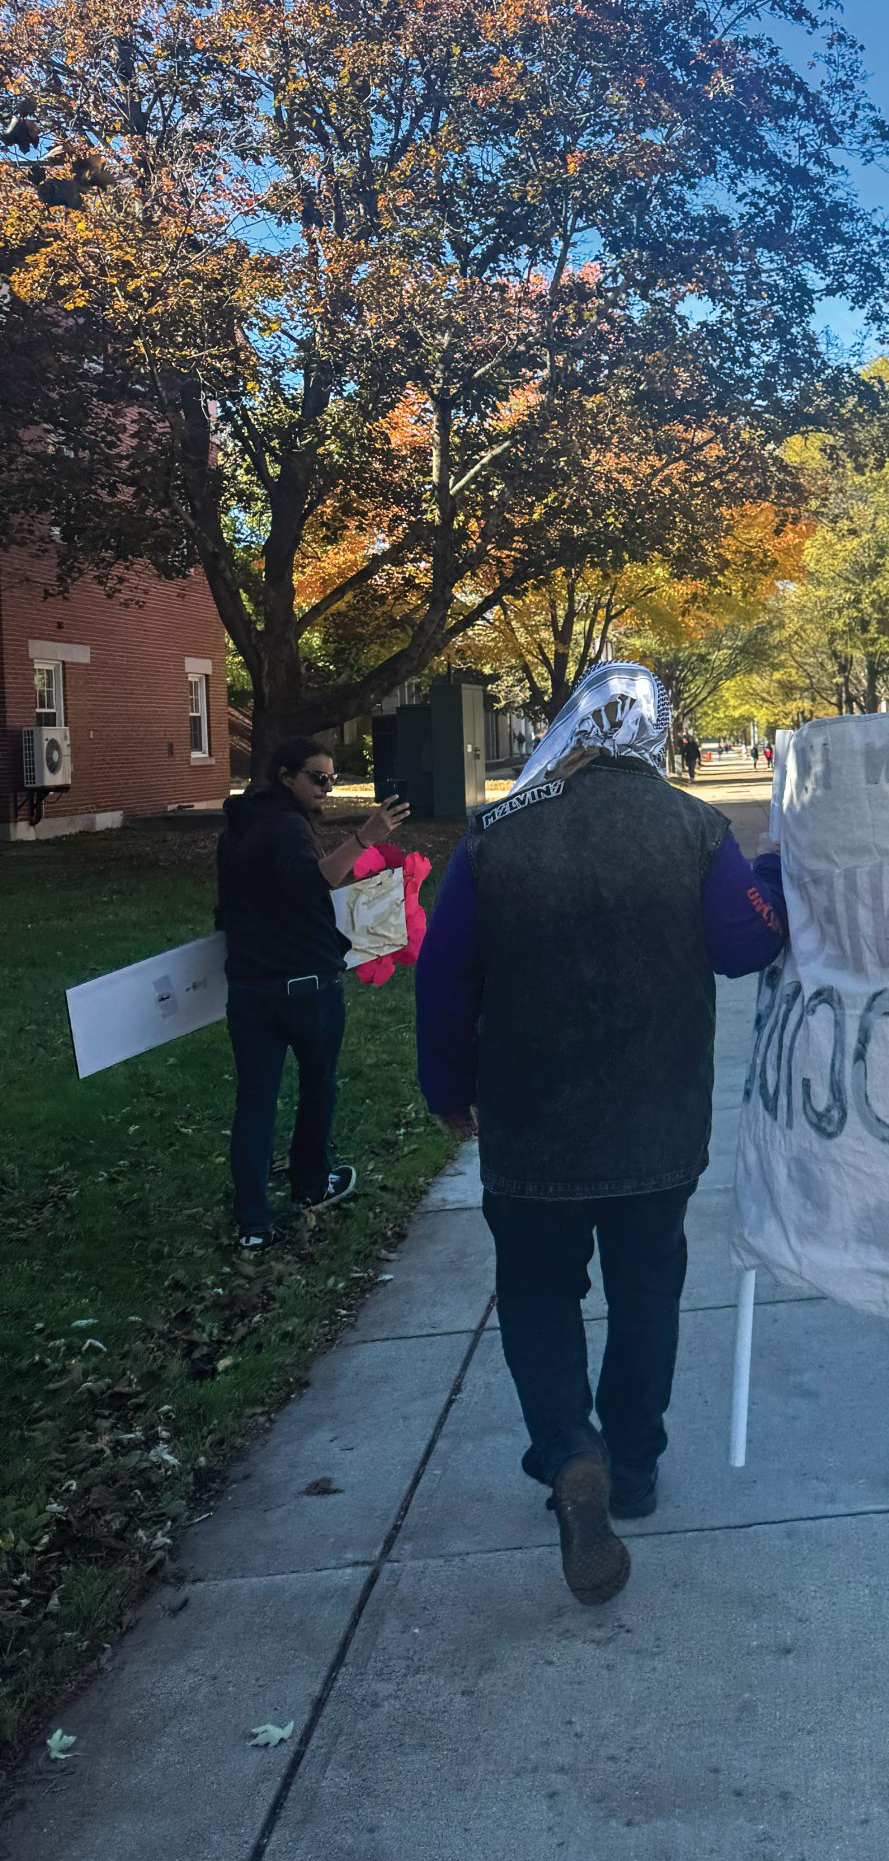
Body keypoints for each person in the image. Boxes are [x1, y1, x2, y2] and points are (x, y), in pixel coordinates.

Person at [413, 664, 788, 1606]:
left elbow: (443, 975)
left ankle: (568, 1452)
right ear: (658, 735)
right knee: (647, 1288)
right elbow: (746, 947)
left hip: (532, 1121)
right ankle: (635, 1465)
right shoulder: (695, 829)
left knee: (537, 1293)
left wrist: (447, 1085)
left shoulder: (497, 834)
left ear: (570, 726)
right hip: (657, 1121)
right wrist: (776, 872)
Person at [217, 738, 411, 1248]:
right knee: (318, 1084)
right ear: (286, 777)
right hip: (304, 987)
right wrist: (365, 839)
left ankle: (252, 1223)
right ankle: (310, 1182)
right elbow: (311, 882)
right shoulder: (287, 828)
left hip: (248, 989)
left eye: (332, 778)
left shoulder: (239, 825)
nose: (328, 788)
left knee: (255, 1102)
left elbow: (233, 907)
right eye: (317, 778)